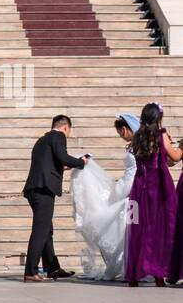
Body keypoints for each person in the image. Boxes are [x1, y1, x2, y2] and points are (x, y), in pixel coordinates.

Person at [72, 113, 140, 281]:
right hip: (134, 190)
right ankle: (130, 266)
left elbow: (131, 176)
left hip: (131, 192)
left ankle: (128, 266)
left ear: (124, 130)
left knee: (122, 231)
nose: (121, 137)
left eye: (120, 133)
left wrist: (116, 193)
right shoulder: (141, 145)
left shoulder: (135, 148)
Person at [22, 115, 87, 283]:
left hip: (34, 189)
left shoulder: (42, 140)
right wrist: (81, 162)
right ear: (65, 127)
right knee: (40, 231)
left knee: (46, 231)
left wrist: (64, 165)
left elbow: (54, 162)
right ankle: (31, 271)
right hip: (43, 190)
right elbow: (63, 157)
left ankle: (53, 268)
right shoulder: (58, 136)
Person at [125, 103, 181, 287]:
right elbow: (175, 157)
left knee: (140, 229)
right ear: (158, 118)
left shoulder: (137, 136)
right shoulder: (161, 134)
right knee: (163, 227)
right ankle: (159, 274)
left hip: (140, 185)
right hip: (159, 185)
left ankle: (133, 275)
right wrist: (179, 145)